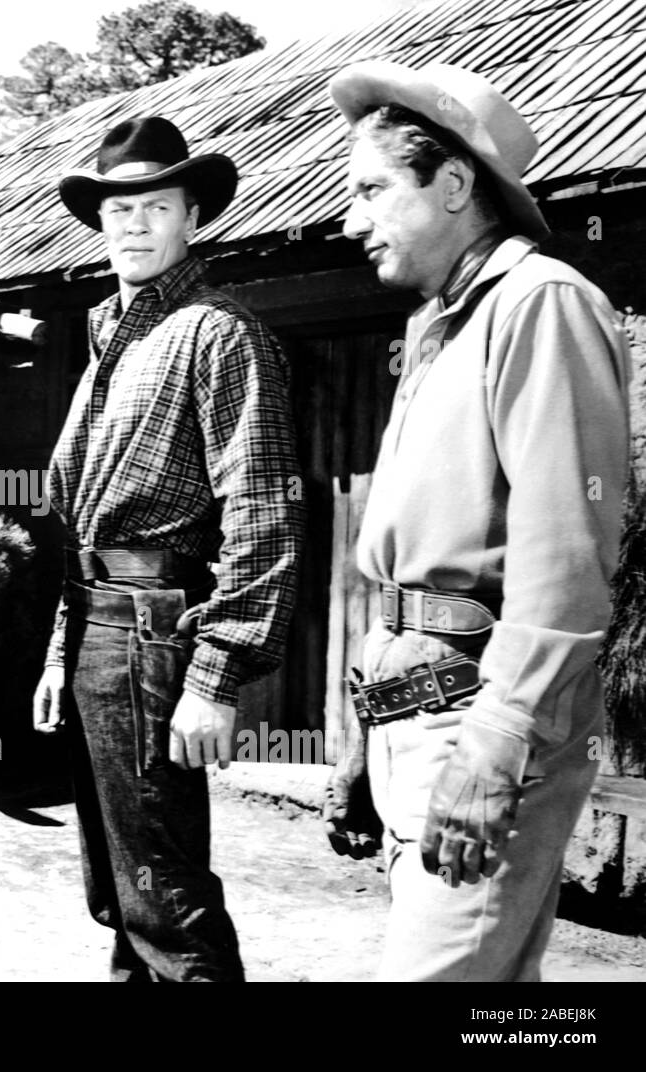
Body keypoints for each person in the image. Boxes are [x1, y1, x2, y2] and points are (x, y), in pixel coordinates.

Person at [322, 61, 630, 981]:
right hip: (413, 716)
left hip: (482, 722)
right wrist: (361, 743)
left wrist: (497, 743)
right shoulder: (441, 325)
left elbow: (566, 561)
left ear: (453, 184)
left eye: (373, 190)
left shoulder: (540, 306)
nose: (352, 219)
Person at [32, 116, 304, 982]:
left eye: (156, 205)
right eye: (118, 208)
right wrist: (55, 652)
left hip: (155, 630)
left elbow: (262, 512)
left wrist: (216, 676)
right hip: (93, 625)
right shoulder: (113, 335)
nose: (134, 224)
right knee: (120, 895)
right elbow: (80, 524)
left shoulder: (218, 333)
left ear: (193, 216)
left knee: (169, 905)